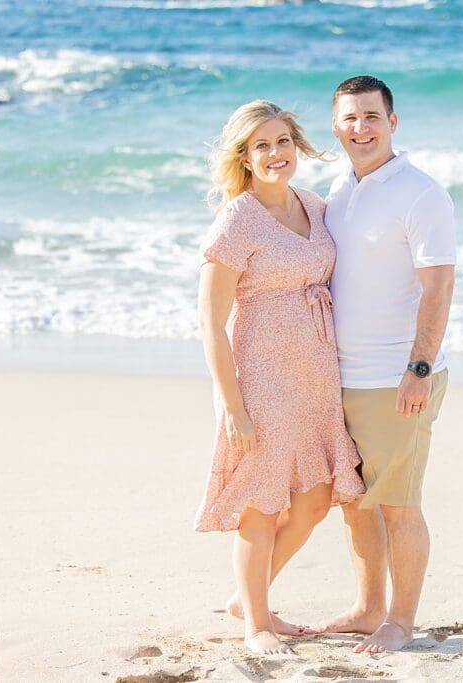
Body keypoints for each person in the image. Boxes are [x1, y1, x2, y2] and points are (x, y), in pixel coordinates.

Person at [194, 100, 365, 655]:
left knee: (315, 501)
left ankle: (251, 599)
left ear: (298, 145)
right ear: (243, 157)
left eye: (283, 141)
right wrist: (232, 405)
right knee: (262, 503)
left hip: (317, 374)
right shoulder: (238, 218)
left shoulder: (314, 206)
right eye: (261, 145)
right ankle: (256, 625)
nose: (275, 153)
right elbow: (209, 322)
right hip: (263, 379)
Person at [319, 76, 457, 653]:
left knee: (399, 504)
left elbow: (439, 287)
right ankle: (367, 606)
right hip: (343, 375)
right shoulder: (341, 187)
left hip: (397, 379)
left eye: (372, 116)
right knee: (356, 503)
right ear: (336, 127)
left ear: (393, 122)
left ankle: (399, 621)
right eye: (350, 118)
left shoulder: (422, 194)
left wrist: (418, 367)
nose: (361, 128)